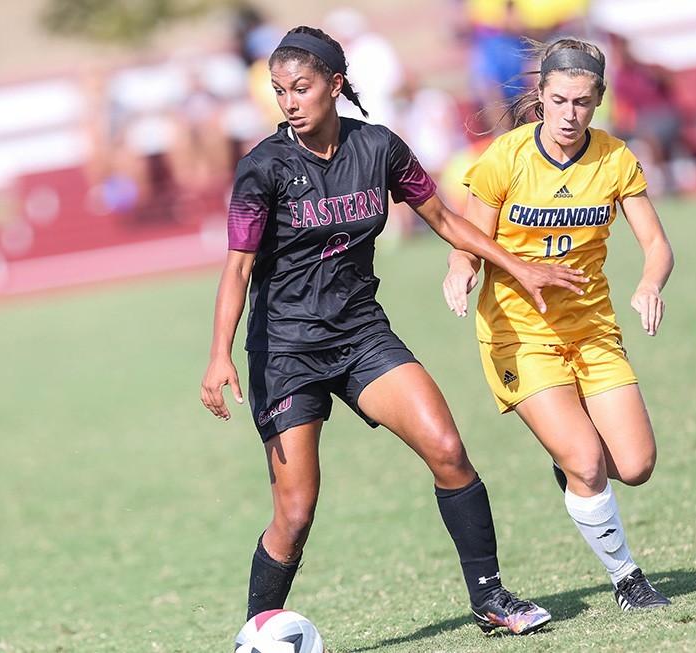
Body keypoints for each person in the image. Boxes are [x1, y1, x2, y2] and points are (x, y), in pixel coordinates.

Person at [200, 25, 589, 635]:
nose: (290, 102)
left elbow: (444, 219)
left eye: (301, 88)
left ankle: (490, 598)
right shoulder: (263, 168)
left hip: (361, 336)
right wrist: (219, 354)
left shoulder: (378, 147)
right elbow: (239, 265)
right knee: (296, 512)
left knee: (448, 450)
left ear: (335, 84)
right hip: (286, 352)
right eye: (280, 92)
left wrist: (518, 265)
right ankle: (259, 633)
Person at [443, 36, 675, 611]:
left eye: (583, 102)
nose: (570, 114)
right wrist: (459, 269)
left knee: (637, 466)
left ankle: (570, 463)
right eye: (559, 100)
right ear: (539, 96)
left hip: (593, 330)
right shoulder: (505, 158)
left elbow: (657, 244)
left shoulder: (616, 158)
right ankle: (628, 579)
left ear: (598, 101)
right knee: (589, 461)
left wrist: (649, 283)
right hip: (519, 335)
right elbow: (467, 239)